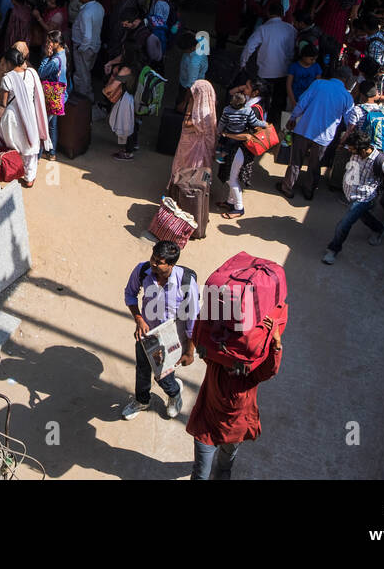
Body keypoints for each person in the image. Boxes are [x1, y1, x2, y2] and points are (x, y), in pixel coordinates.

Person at [186, 309, 285, 480]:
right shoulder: (215, 361)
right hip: (207, 426)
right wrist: (206, 317)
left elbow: (270, 370)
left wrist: (276, 342)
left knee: (224, 468)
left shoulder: (251, 372)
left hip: (235, 429)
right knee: (200, 474)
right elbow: (200, 339)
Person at [121, 241, 200, 421]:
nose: (153, 264)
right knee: (142, 368)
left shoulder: (186, 282)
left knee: (163, 376)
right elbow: (130, 294)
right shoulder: (142, 271)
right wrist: (139, 319)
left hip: (170, 336)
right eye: (153, 258)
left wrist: (190, 350)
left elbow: (192, 318)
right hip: (146, 334)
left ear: (171, 265)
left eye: (159, 262)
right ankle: (142, 400)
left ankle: (174, 393)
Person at [280, 66, 354, 201]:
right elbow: (350, 120)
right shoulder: (347, 96)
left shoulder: (318, 84)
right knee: (315, 165)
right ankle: (309, 191)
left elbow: (302, 103)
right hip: (324, 138)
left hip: (304, 129)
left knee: (296, 161)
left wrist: (292, 118)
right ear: (347, 80)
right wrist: (345, 137)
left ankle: (287, 187)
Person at [322, 131, 384, 265]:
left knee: (344, 224)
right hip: (351, 194)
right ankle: (380, 229)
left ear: (362, 149)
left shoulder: (380, 161)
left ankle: (333, 250)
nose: (349, 150)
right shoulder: (357, 152)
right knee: (363, 216)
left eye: (351, 149)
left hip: (364, 198)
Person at [0, 46, 51, 186]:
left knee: (12, 146)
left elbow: (2, 105)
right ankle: (29, 177)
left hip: (12, 118)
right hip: (29, 116)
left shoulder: (7, 79)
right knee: (29, 147)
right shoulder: (31, 73)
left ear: (9, 63)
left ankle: (12, 169)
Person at [239, 0, 295, 124]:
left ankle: (259, 122)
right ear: (282, 14)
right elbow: (292, 51)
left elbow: (249, 47)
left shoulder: (263, 29)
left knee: (262, 100)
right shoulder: (290, 29)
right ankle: (274, 124)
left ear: (268, 13)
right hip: (284, 72)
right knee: (278, 101)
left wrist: (243, 63)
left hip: (265, 72)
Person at [216, 85, 265, 220]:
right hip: (237, 149)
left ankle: (239, 208)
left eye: (248, 87)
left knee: (231, 179)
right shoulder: (250, 109)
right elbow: (258, 124)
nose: (244, 89)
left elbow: (247, 136)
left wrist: (225, 134)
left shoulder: (247, 110)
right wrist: (265, 124)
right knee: (232, 175)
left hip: (240, 150)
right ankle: (230, 202)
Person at [169, 78, 216, 190]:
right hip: (203, 149)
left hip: (194, 148)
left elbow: (186, 124)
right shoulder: (209, 107)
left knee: (188, 170)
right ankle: (199, 192)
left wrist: (189, 106)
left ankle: (184, 191)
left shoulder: (203, 111)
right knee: (203, 170)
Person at [37, 30, 70, 159]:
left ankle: (37, 156)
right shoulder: (63, 54)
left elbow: (40, 73)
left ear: (56, 43)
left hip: (51, 97)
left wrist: (46, 56)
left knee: (42, 126)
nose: (47, 43)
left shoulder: (55, 60)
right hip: (59, 96)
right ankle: (52, 153)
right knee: (52, 125)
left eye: (49, 41)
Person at [71, 0, 104, 95]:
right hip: (94, 45)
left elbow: (87, 36)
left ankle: (84, 96)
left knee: (82, 73)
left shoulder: (86, 13)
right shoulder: (99, 7)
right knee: (85, 71)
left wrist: (81, 48)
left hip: (85, 47)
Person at [176, 29, 207, 109]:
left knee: (180, 108)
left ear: (191, 48)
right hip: (191, 77)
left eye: (184, 50)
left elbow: (191, 85)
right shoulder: (200, 41)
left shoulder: (193, 63)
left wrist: (184, 102)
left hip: (186, 85)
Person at [284, 45, 321, 112]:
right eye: (311, 59)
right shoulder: (294, 67)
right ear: (304, 56)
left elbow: (318, 84)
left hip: (309, 100)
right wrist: (293, 101)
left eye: (315, 59)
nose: (313, 61)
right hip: (294, 97)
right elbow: (288, 85)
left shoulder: (316, 67)